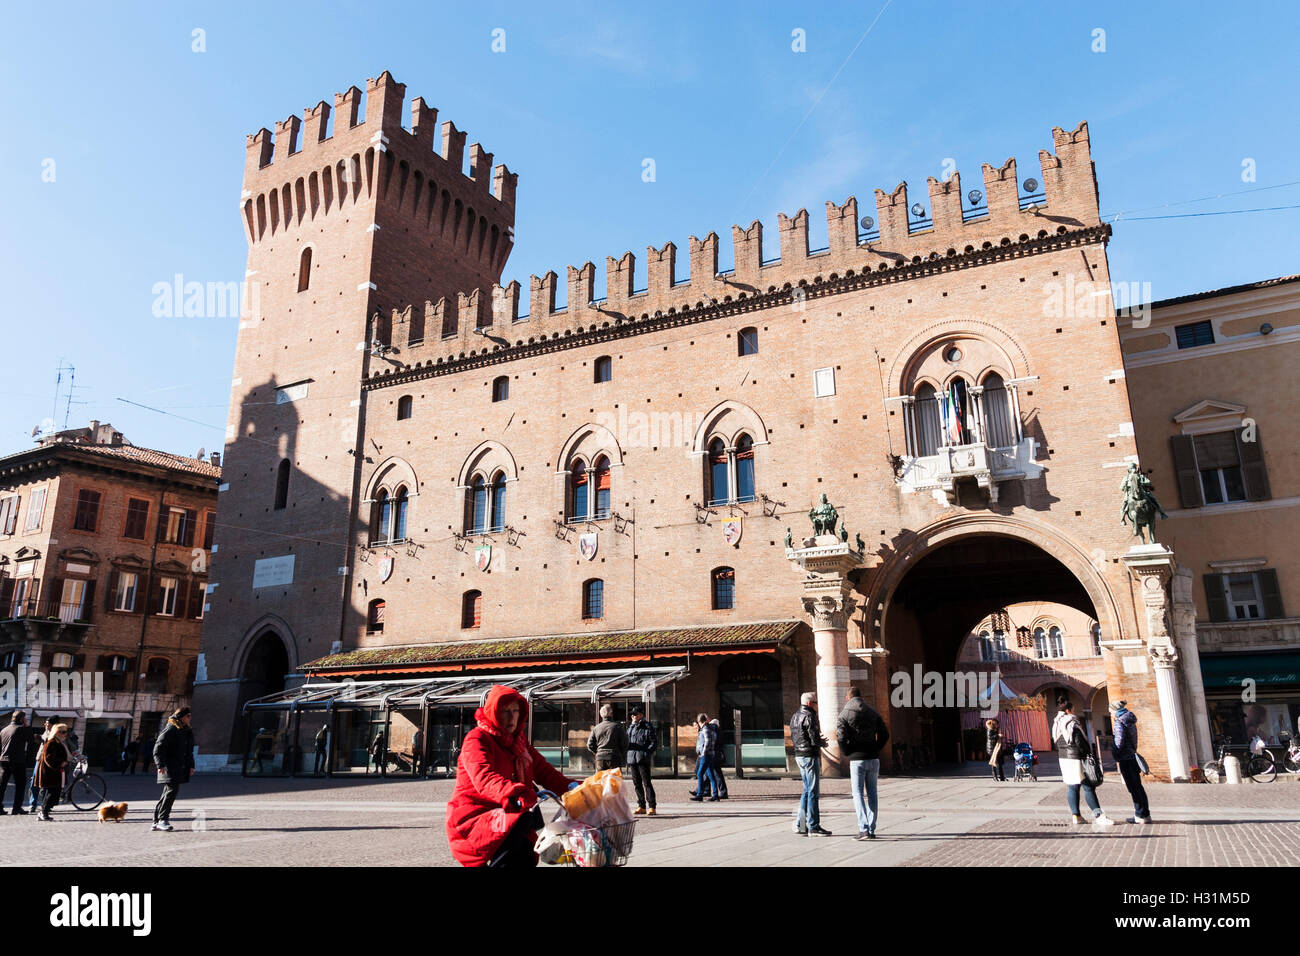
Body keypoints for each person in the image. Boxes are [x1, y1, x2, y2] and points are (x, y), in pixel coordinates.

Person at [444, 684, 577, 867]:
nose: (512, 716)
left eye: (515, 711)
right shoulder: (477, 739)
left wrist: (575, 787)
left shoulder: (519, 742)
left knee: (527, 856)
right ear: (493, 712)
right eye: (505, 711)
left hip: (511, 814)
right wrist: (514, 792)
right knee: (512, 855)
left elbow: (544, 771)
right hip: (477, 816)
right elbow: (484, 777)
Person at [1052, 695, 1114, 827]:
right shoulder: (1071, 722)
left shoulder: (1056, 723)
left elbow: (1057, 742)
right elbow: (1079, 740)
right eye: (1073, 709)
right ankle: (1099, 816)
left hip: (1063, 758)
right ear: (1069, 710)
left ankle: (1076, 815)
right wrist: (1089, 754)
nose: (1074, 711)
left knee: (1072, 786)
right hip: (1076, 757)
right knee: (1088, 786)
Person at [837, 688, 889, 840]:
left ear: (848, 698)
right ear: (861, 697)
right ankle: (871, 829)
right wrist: (876, 748)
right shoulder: (873, 712)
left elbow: (840, 737)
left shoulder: (844, 714)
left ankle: (863, 828)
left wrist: (846, 752)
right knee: (873, 793)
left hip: (857, 759)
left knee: (858, 793)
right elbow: (885, 734)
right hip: (873, 758)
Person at [790, 692, 831, 836]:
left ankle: (800, 824)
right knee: (813, 792)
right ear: (809, 703)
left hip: (799, 755)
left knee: (807, 790)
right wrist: (823, 743)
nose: (817, 705)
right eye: (815, 702)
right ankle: (813, 826)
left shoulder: (795, 716)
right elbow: (813, 738)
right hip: (809, 756)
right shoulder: (810, 715)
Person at [152, 706, 195, 832]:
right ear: (181, 717)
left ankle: (157, 821)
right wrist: (160, 765)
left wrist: (191, 765)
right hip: (170, 766)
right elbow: (158, 748)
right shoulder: (171, 729)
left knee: (168, 792)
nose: (190, 718)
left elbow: (189, 751)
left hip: (179, 766)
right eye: (188, 716)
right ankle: (163, 820)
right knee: (171, 792)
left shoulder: (186, 730)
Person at [1110, 700, 1151, 824]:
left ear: (1115, 710)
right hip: (1132, 757)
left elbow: (1119, 741)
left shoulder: (1119, 722)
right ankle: (1145, 814)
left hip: (1125, 759)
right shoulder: (1129, 720)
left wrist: (1115, 752)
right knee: (1138, 786)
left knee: (1133, 788)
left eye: (1110, 710)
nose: (1109, 712)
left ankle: (1140, 814)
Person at [0, 711, 36, 815]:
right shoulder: (21, 729)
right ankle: (17, 808)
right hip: (17, 761)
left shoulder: (4, 730)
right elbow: (31, 740)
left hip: (3, 760)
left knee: (2, 785)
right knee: (20, 785)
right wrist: (27, 726)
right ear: (21, 719)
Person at [625, 708, 658, 815]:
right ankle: (641, 805)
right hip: (632, 758)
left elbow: (653, 742)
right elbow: (626, 740)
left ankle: (652, 806)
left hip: (642, 758)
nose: (633, 716)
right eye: (632, 715)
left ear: (641, 715)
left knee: (647, 783)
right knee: (636, 783)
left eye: (635, 714)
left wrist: (646, 753)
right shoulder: (631, 727)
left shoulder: (647, 726)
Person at [35, 723, 71, 822]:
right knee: (52, 794)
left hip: (55, 773)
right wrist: (60, 763)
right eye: (63, 732)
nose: (65, 734)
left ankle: (44, 812)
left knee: (54, 794)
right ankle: (43, 812)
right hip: (50, 773)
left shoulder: (59, 742)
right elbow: (48, 758)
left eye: (65, 732)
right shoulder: (52, 742)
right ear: (56, 733)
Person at [26, 716, 58, 812]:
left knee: (46, 784)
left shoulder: (57, 734)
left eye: (47, 723)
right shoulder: (46, 732)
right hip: (39, 760)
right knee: (34, 783)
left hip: (49, 762)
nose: (45, 724)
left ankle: (45, 805)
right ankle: (33, 804)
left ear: (53, 725)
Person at [689, 714, 721, 802]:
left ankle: (700, 794)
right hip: (710, 754)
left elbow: (708, 741)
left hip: (706, 755)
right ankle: (715, 795)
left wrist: (703, 752)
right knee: (710, 775)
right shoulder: (710, 729)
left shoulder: (705, 729)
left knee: (699, 774)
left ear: (699, 721)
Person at [588, 703, 628, 771]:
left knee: (601, 780)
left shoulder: (596, 728)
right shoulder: (617, 726)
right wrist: (619, 753)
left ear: (601, 715)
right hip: (614, 757)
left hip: (600, 758)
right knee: (614, 780)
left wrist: (597, 752)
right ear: (611, 714)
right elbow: (625, 743)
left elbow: (590, 744)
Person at [986, 717, 1007, 782]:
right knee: (994, 762)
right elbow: (991, 737)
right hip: (992, 749)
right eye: (997, 724)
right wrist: (998, 735)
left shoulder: (997, 729)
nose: (998, 725)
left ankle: (1002, 777)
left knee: (1000, 763)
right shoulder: (990, 730)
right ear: (994, 724)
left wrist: (1000, 735)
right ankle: (995, 777)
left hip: (998, 748)